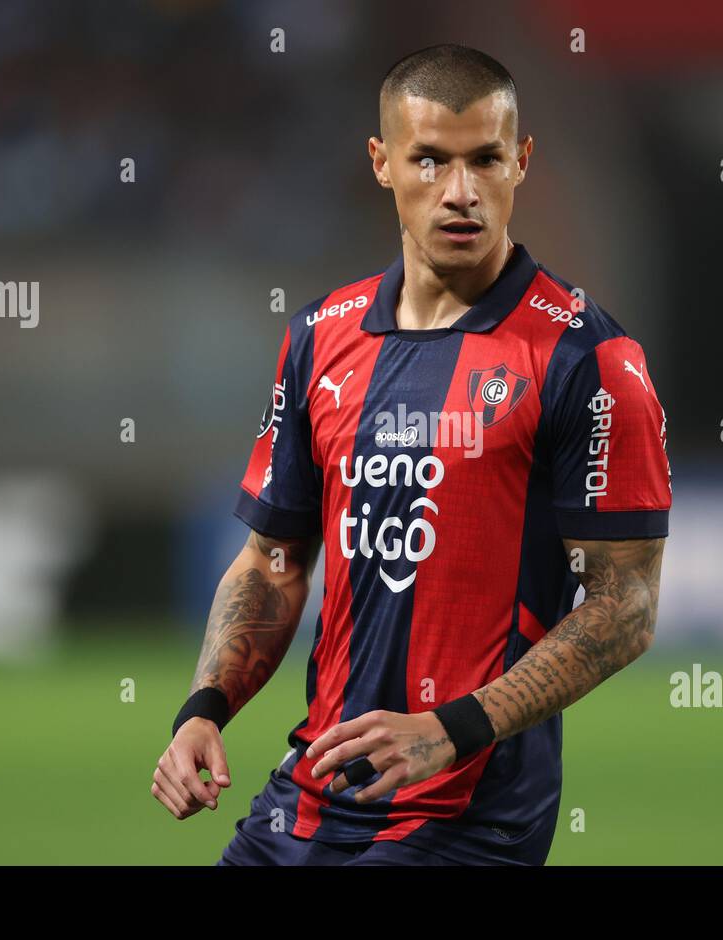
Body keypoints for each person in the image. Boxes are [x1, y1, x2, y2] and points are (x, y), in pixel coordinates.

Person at [152, 43, 670, 866]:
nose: (460, 192)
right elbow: (273, 563)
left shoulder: (588, 360)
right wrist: (203, 710)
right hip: (310, 796)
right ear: (382, 162)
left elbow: (626, 607)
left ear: (521, 162)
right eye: (430, 160)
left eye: (485, 160)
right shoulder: (321, 338)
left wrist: (452, 729)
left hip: (468, 821)